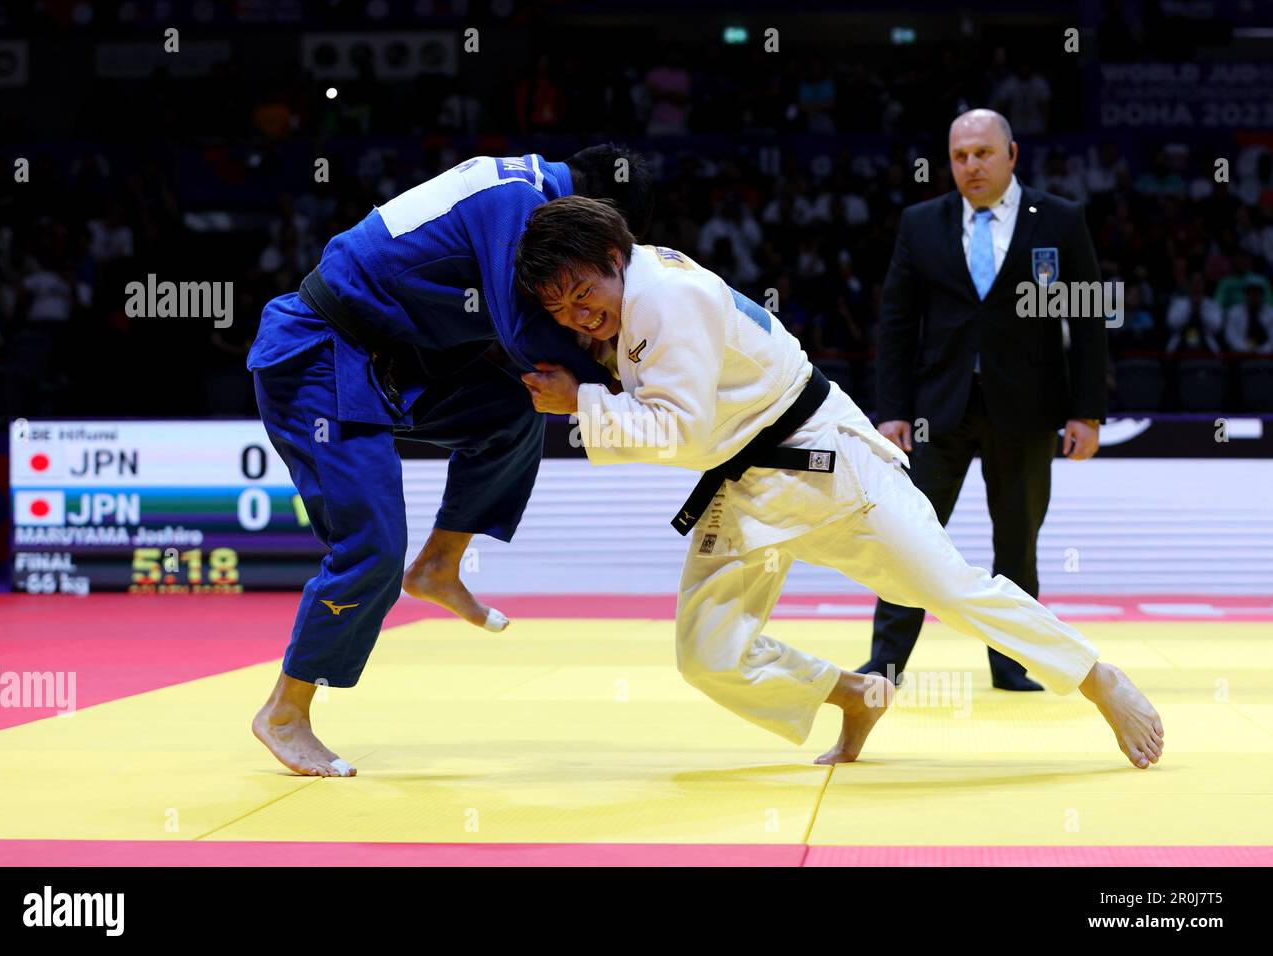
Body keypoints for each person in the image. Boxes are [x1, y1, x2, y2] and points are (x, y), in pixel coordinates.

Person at [515, 195, 1164, 770]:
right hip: (746, 486)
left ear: (613, 255)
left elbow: (681, 432)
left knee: (949, 586)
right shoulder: (638, 288)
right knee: (706, 653)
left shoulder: (665, 296)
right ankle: (855, 693)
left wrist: (581, 404)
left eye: (582, 294)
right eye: (560, 308)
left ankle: (1095, 676)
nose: (578, 315)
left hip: (824, 457)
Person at [247, 147, 654, 777]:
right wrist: (634, 390)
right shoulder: (517, 201)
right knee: (372, 548)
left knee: (510, 414)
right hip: (320, 356)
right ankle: (285, 712)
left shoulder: (524, 191)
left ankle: (440, 563)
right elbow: (524, 339)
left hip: (394, 360)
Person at [864, 109, 1107, 691]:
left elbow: (1089, 320)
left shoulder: (1059, 219)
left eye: (982, 154)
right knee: (910, 539)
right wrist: (892, 409)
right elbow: (897, 323)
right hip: (937, 410)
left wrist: (1087, 411)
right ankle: (886, 664)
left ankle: (1012, 664)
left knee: (1017, 543)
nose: (970, 166)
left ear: (1012, 155)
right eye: (959, 156)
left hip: (1027, 407)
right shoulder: (922, 223)